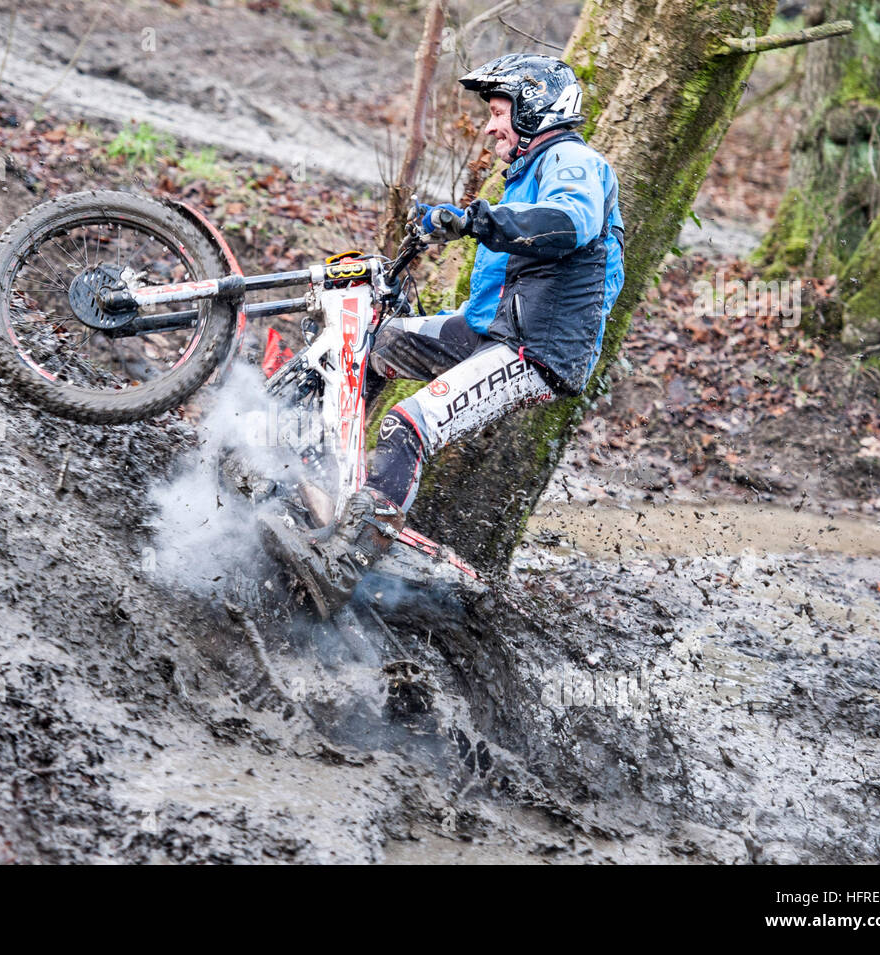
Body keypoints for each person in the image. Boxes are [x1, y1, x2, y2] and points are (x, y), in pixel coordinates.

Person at [260, 53, 625, 618]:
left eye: (501, 111)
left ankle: (343, 563)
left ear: (536, 108)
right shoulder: (528, 173)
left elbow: (570, 222)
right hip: (491, 332)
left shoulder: (572, 159)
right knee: (369, 344)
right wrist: (443, 230)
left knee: (411, 426)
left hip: (536, 350)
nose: (489, 125)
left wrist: (477, 219)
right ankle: (297, 455)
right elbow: (498, 286)